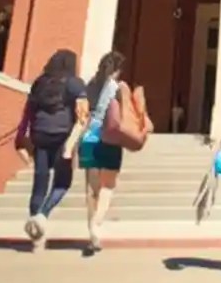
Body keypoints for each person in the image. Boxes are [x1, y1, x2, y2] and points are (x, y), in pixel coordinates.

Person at [16, 49, 88, 252]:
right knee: (63, 183)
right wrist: (70, 145)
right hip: (62, 136)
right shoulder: (75, 83)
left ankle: (36, 238)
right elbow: (83, 116)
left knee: (40, 181)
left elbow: (28, 112)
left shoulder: (40, 82)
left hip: (40, 135)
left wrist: (21, 138)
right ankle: (43, 215)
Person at [74, 51, 136, 255]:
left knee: (91, 189)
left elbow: (81, 112)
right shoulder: (119, 87)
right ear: (118, 69)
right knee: (108, 186)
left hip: (89, 137)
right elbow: (128, 113)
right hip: (109, 138)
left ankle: (91, 228)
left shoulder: (90, 86)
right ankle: (97, 227)